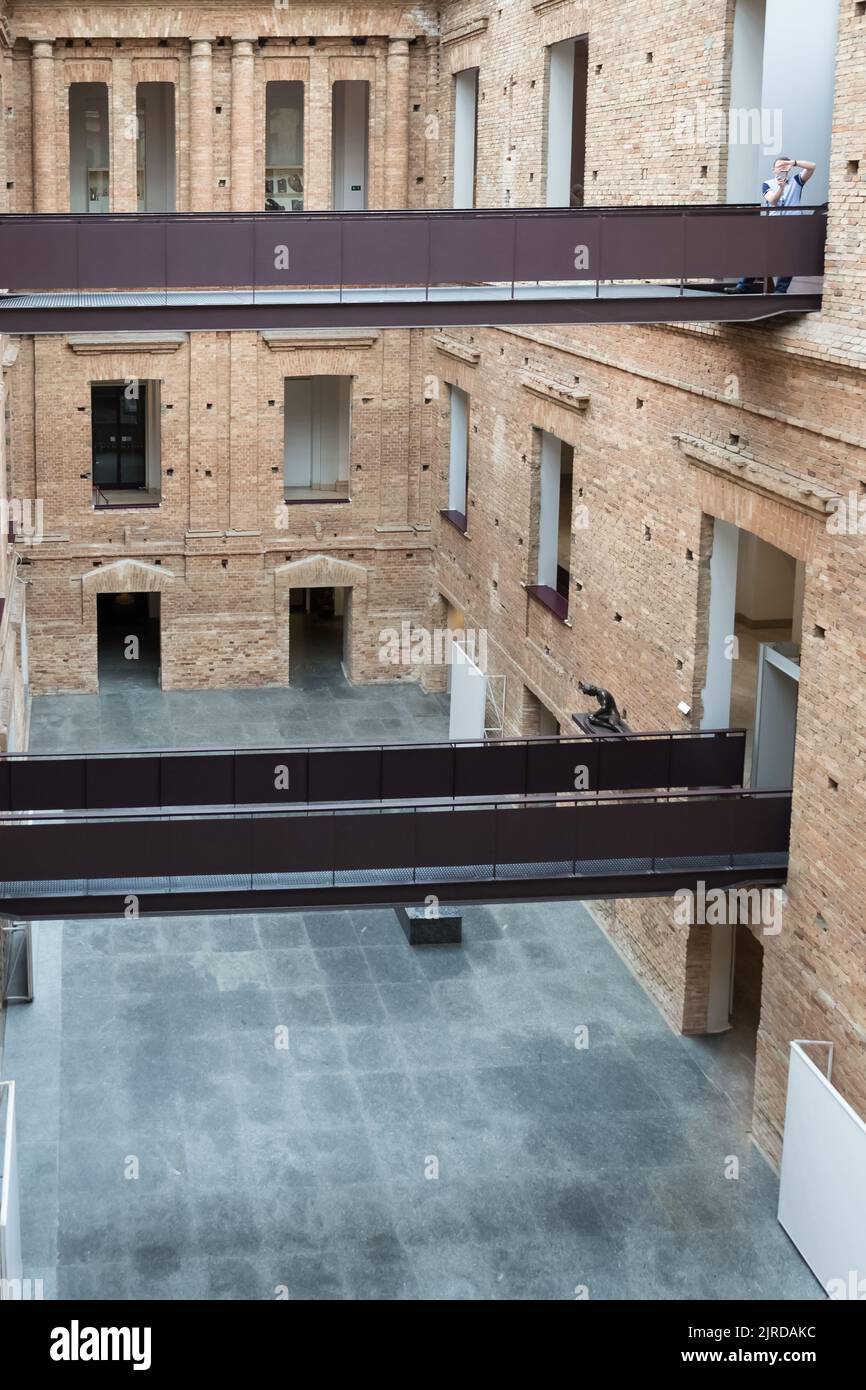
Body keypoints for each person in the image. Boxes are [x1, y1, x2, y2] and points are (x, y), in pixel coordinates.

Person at [729, 155, 817, 295]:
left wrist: (793, 163)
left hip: (793, 226)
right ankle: (743, 286)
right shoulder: (768, 183)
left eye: (784, 166)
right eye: (779, 166)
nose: (782, 169)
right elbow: (773, 201)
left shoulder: (796, 181)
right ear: (773, 170)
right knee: (758, 254)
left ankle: (780, 290)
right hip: (773, 225)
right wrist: (781, 188)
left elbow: (812, 166)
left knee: (788, 258)